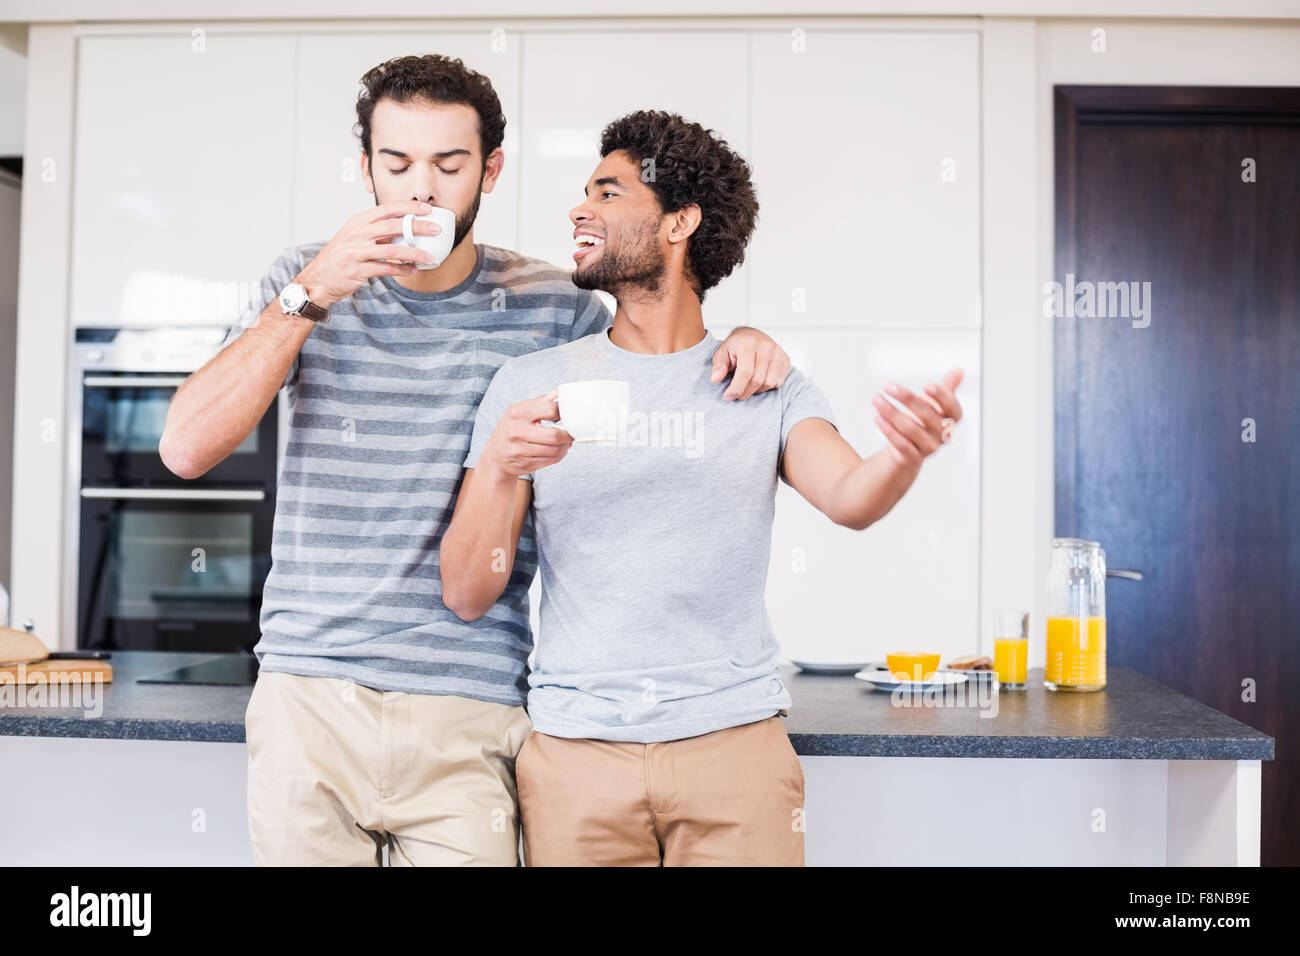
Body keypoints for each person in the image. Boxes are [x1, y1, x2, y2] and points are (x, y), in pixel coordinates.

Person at [158, 57, 791, 866]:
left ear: (490, 169)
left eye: (449, 165)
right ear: (366, 169)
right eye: (397, 165)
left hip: (473, 703)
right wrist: (310, 294)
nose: (421, 191)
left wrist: (743, 342)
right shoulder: (302, 281)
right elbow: (185, 446)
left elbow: (658, 348)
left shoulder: (553, 309)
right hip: (307, 696)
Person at [442, 109, 964, 866]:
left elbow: (851, 495)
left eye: (609, 193)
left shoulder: (761, 381)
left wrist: (906, 453)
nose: (579, 209)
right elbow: (464, 592)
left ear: (680, 220)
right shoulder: (531, 385)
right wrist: (497, 463)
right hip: (576, 759)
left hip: (736, 753)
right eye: (585, 191)